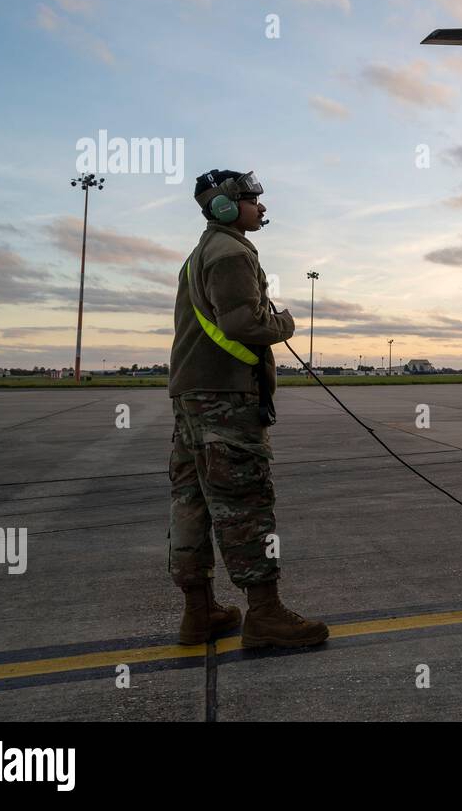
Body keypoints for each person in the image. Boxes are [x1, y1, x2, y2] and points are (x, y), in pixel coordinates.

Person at [167, 169, 328, 649]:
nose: (260, 206)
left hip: (194, 398)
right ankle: (265, 615)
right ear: (224, 207)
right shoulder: (232, 252)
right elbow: (242, 324)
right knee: (243, 504)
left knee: (191, 502)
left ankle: (200, 613)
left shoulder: (201, 253)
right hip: (226, 400)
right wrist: (285, 323)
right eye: (251, 199)